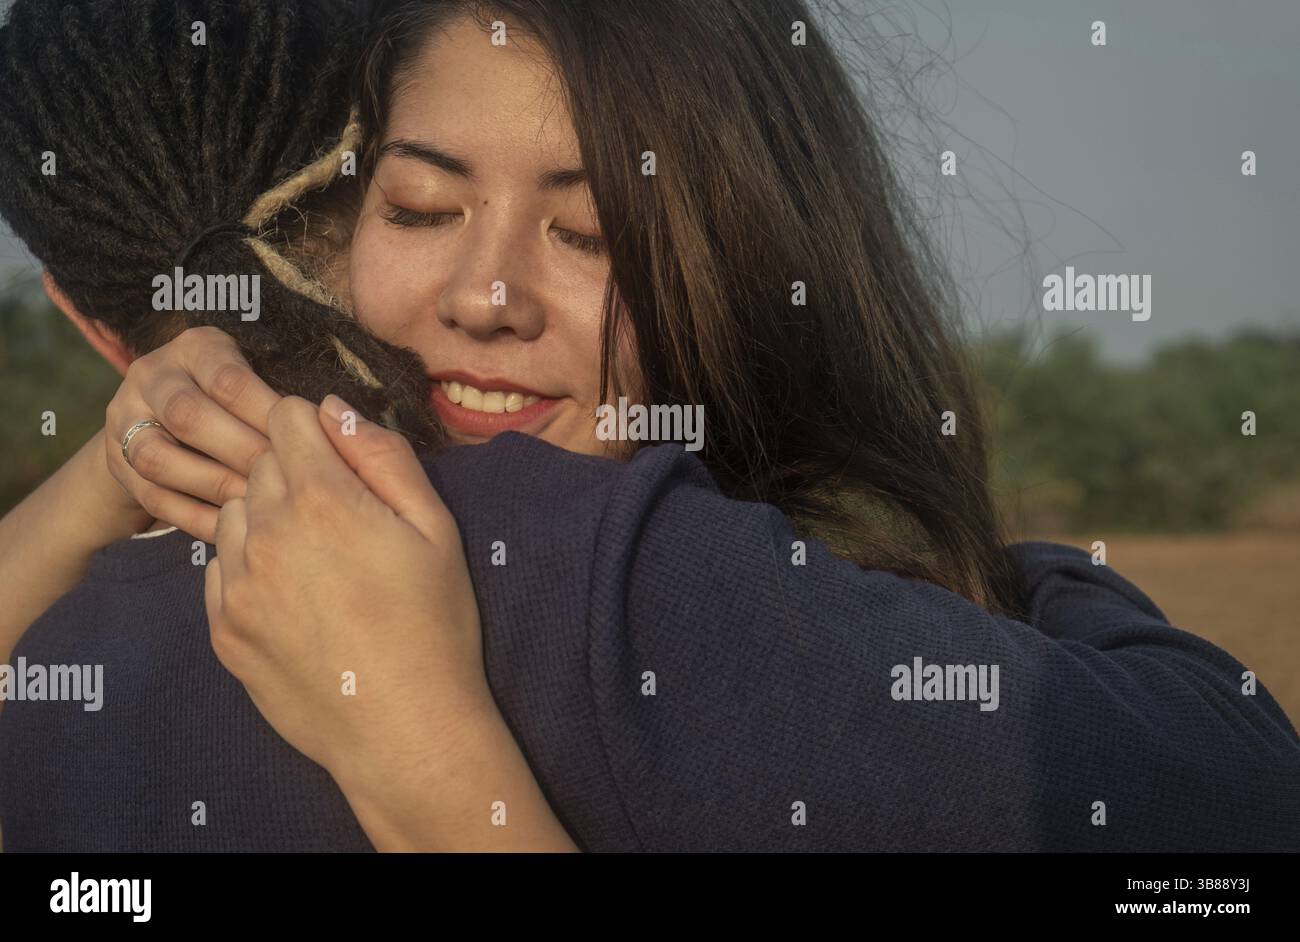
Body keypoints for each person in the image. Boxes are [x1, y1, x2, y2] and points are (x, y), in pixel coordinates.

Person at [2, 0, 1297, 852]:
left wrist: (103, 476)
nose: (488, 297)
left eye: (587, 233)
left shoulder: (70, 644)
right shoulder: (612, 571)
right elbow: (1242, 806)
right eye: (421, 208)